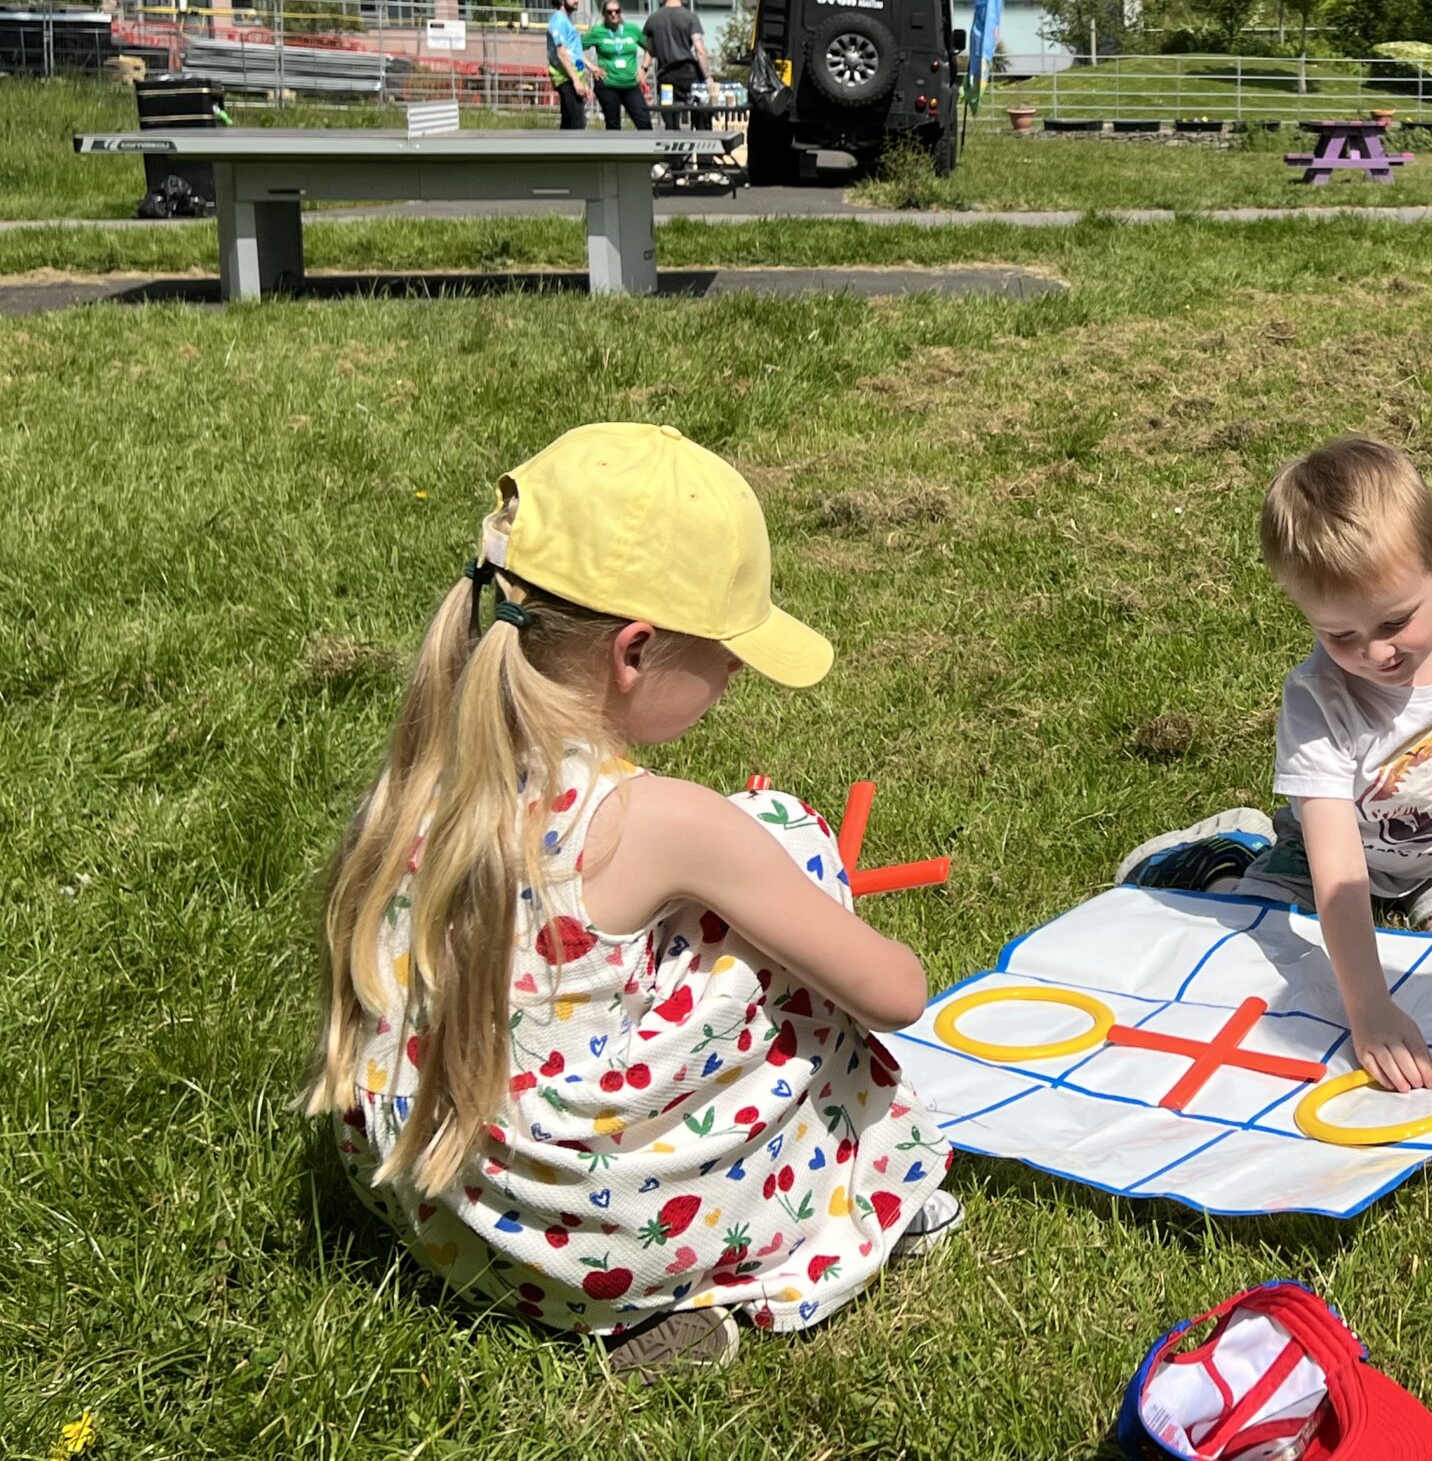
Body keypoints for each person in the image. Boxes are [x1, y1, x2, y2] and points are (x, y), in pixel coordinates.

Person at [308, 422, 959, 1376]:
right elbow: (896, 994)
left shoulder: (431, 773)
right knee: (786, 848)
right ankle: (844, 1207)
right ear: (637, 650)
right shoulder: (663, 821)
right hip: (596, 1244)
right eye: (729, 650)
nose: (736, 674)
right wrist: (812, 882)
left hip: (451, 1222)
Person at [1122, 438, 1432, 1092]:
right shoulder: (1317, 699)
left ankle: (1431, 915)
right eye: (1340, 635)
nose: (1376, 653)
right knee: (1246, 971)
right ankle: (1219, 865)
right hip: (1326, 856)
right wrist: (1368, 1006)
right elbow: (1339, 871)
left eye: (1394, 622)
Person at [643, 0, 714, 131]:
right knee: (701, 114)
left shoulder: (653, 20)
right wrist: (708, 77)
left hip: (666, 76)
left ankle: (675, 154)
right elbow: (700, 49)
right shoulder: (690, 17)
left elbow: (652, 50)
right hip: (689, 74)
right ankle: (704, 153)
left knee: (671, 120)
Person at [583, 0, 653, 130]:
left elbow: (649, 48)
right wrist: (591, 67)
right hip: (608, 84)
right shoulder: (598, 31)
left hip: (630, 84)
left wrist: (644, 68)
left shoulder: (632, 29)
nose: (614, 14)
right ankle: (614, 150)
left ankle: (645, 150)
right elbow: (575, 48)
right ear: (604, 14)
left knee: (644, 122)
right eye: (609, 12)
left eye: (617, 11)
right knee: (613, 123)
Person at [544, 0, 593, 130]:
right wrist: (576, 81)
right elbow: (562, 53)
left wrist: (589, 68)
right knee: (577, 122)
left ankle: (561, 151)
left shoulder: (567, 22)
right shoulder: (558, 21)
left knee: (569, 121)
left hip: (572, 76)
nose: (577, 0)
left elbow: (575, 53)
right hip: (565, 77)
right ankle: (575, 152)